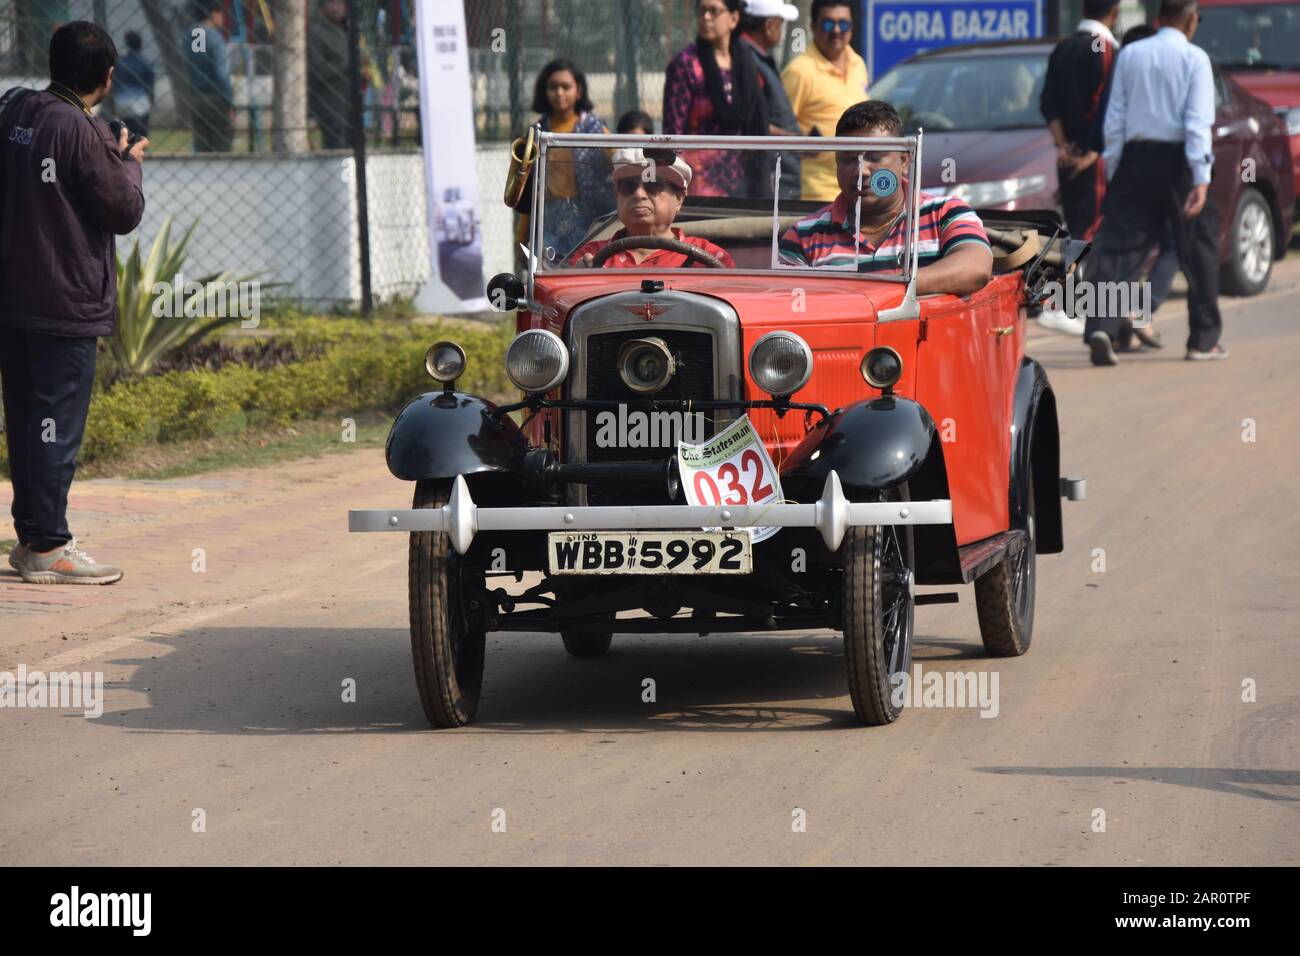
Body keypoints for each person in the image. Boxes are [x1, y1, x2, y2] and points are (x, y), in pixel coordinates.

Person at [0, 21, 146, 585]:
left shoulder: (16, 110)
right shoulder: (82, 133)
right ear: (107, 78)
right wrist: (129, 161)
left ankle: (32, 539)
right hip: (64, 304)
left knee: (27, 422)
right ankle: (51, 546)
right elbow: (124, 210)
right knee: (55, 426)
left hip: (13, 300)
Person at [1088, 0, 1226, 364]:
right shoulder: (1195, 59)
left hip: (1134, 158)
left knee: (1119, 249)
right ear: (1191, 21)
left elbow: (1114, 118)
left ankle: (1104, 327)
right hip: (1178, 162)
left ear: (1157, 18)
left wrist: (1117, 166)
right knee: (1198, 246)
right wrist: (1201, 177)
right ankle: (1203, 339)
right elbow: (1197, 123)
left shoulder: (1130, 54)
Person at [779, 101, 992, 296]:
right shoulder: (804, 235)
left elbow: (975, 268)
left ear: (904, 161)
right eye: (848, 159)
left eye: (874, 157)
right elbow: (791, 301)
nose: (860, 171)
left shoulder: (945, 213)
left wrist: (882, 288)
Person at [662, 0, 768, 197]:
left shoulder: (746, 64)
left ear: (734, 18)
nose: (706, 18)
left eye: (713, 11)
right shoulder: (685, 65)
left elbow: (756, 123)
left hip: (744, 181)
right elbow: (672, 132)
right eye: (701, 11)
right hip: (698, 182)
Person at [569, 149, 735, 269]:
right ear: (616, 195)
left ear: (679, 198)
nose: (639, 194)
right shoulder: (589, 256)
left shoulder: (710, 258)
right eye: (628, 186)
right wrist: (579, 279)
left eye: (653, 185)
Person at [1040, 0, 1121, 242]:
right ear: (1115, 13)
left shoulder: (1062, 48)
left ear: (1084, 10)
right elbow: (1107, 106)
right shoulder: (1106, 50)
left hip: (1067, 157)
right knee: (1091, 233)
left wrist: (1062, 145)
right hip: (1095, 160)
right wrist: (1092, 153)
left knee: (1074, 231)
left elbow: (1048, 102)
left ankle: (1075, 280)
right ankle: (1085, 281)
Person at [781, 0, 870, 201]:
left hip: (857, 190)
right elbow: (770, 131)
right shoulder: (799, 71)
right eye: (828, 24)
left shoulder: (858, 63)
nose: (837, 30)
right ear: (813, 27)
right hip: (815, 196)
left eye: (844, 24)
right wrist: (805, 143)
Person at [525, 59, 613, 257]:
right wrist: (522, 235)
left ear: (579, 91)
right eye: (553, 87)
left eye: (566, 87)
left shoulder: (595, 129)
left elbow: (620, 166)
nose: (559, 93)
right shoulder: (537, 132)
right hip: (547, 221)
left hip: (589, 222)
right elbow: (527, 189)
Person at [738, 0, 802, 200]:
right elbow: (751, 120)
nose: (781, 29)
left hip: (778, 173)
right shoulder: (746, 58)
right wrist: (794, 139)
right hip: (769, 177)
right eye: (780, 23)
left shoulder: (757, 57)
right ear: (768, 26)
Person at [186, 0, 232, 152]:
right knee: (221, 144)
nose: (223, 18)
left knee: (201, 146)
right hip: (215, 98)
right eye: (221, 14)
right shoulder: (215, 37)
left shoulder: (191, 35)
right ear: (213, 14)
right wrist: (228, 100)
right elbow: (221, 73)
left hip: (196, 96)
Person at [309, 0, 352, 149]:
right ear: (322, 7)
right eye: (331, 3)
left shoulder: (345, 30)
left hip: (349, 104)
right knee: (336, 149)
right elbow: (318, 71)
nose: (336, 8)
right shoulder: (316, 32)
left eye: (341, 3)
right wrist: (348, 64)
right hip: (330, 106)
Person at [114, 30, 154, 138]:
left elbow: (114, 82)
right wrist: (152, 100)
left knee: (124, 134)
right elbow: (150, 85)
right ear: (141, 45)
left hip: (122, 103)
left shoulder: (120, 62)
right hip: (140, 103)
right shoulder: (145, 62)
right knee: (141, 134)